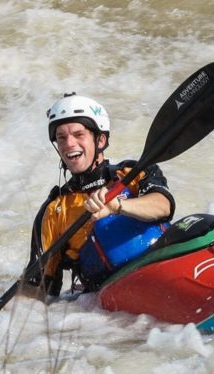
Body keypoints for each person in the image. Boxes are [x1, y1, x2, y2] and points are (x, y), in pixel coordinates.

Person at [19, 93, 176, 301]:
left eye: (78, 134)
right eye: (61, 138)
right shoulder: (54, 211)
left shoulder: (131, 174)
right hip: (111, 303)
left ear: (100, 139)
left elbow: (164, 206)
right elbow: (39, 290)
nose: (69, 144)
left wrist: (117, 206)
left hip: (162, 267)